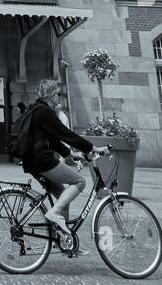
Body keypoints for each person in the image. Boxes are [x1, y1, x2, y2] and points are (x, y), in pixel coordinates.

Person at [21, 79, 105, 246]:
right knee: (80, 181)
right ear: (51, 95)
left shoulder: (37, 109)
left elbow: (52, 139)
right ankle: (53, 213)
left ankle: (65, 241)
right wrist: (93, 148)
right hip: (42, 160)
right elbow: (66, 134)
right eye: (57, 93)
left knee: (62, 197)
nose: (59, 96)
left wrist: (70, 154)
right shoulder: (45, 112)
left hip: (32, 161)